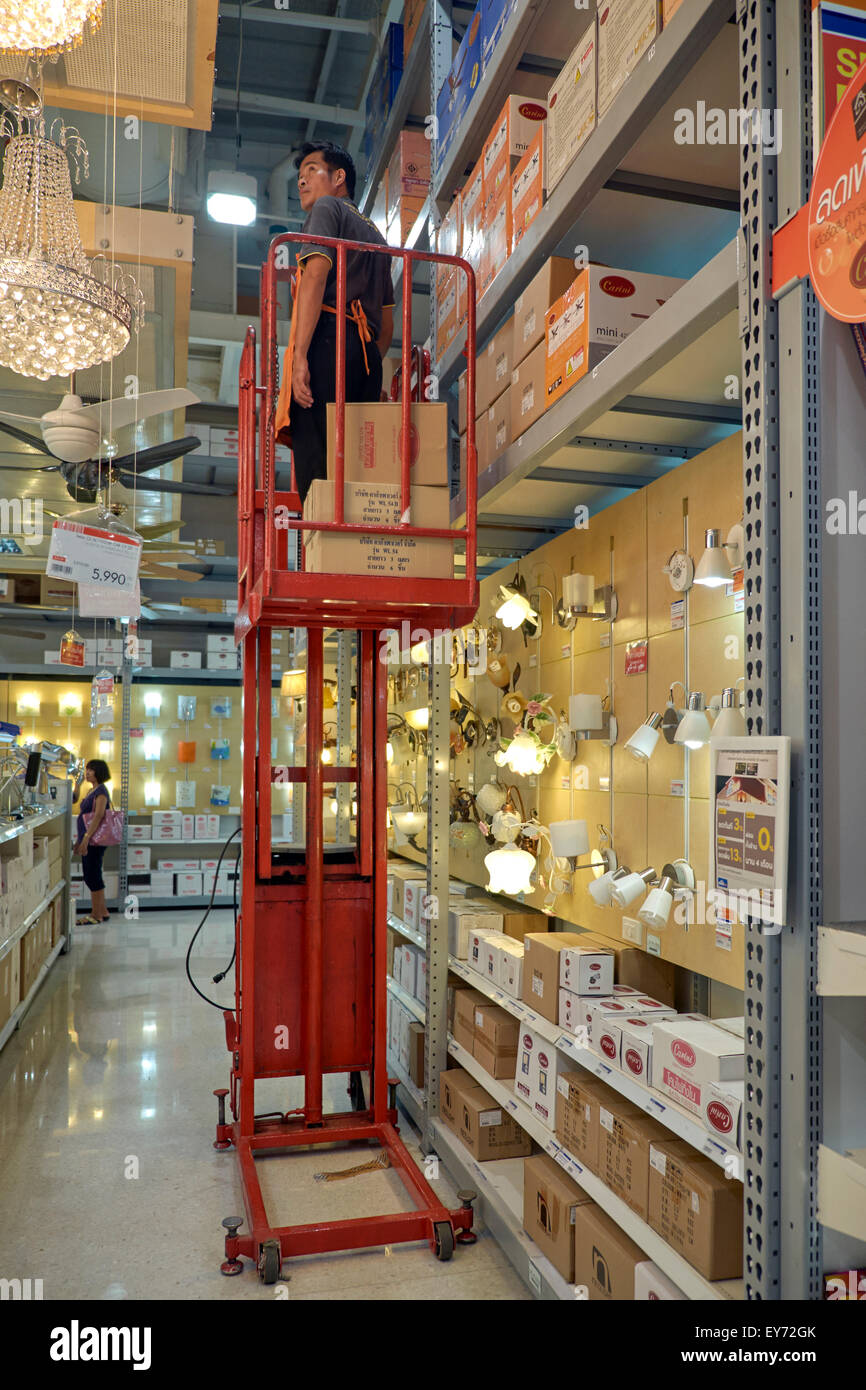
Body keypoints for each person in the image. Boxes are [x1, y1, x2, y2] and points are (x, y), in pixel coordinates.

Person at [275, 141, 395, 505]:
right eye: (299, 175)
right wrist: (366, 363)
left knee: (317, 461)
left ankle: (321, 545)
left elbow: (314, 277)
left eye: (313, 169)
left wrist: (299, 357)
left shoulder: (328, 209)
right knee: (356, 466)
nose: (302, 180)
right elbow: (387, 324)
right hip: (367, 356)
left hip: (329, 341)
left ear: (339, 177)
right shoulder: (376, 235)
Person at [72, 759, 112, 925]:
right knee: (93, 874)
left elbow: (99, 815)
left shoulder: (101, 792)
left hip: (94, 840)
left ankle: (96, 915)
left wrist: (86, 839)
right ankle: (103, 910)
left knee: (92, 876)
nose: (88, 773)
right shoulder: (91, 790)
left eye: (91, 770)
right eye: (87, 770)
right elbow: (74, 799)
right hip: (88, 838)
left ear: (99, 772)